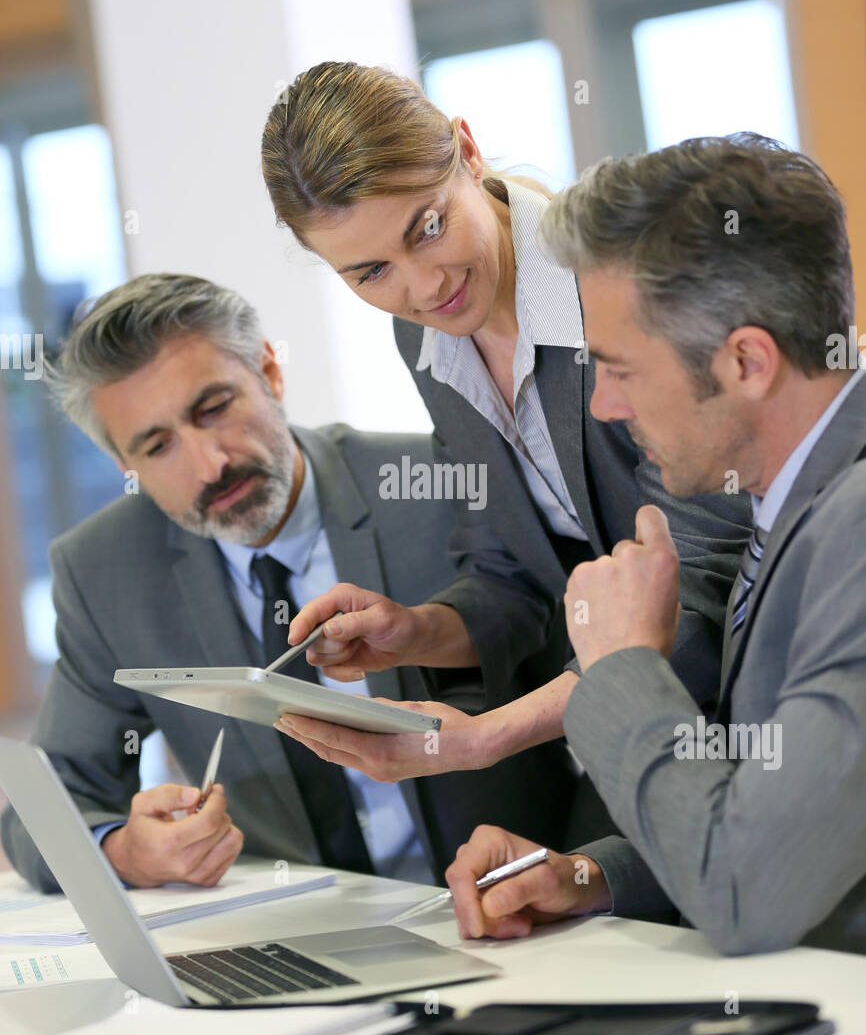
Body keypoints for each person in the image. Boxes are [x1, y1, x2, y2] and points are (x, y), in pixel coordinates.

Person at [259, 62, 751, 815]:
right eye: (370, 273)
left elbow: (702, 584)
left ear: (468, 148)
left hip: (759, 710)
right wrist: (414, 630)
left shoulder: (624, 279)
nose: (424, 287)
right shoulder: (425, 336)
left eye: (428, 226)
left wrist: (486, 736)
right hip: (641, 731)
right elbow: (512, 573)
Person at [2, 274, 583, 893]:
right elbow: (37, 815)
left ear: (270, 372)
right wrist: (126, 852)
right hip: (293, 938)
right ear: (125, 465)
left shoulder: (440, 484)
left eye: (215, 408)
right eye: (158, 445)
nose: (211, 464)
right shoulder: (105, 572)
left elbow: (601, 670)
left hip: (514, 908)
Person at [444, 133, 866, 957]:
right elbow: (805, 820)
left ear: (747, 360)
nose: (601, 407)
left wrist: (623, 662)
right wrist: (591, 877)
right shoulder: (796, 497)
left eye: (620, 369)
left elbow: (748, 888)